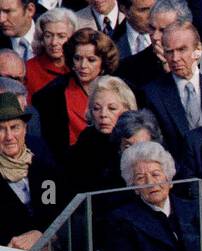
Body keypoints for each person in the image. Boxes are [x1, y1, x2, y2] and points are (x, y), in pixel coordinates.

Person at [32, 26, 118, 163]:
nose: (83, 65)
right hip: (70, 166)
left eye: (91, 60)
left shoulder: (120, 88)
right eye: (78, 58)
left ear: (104, 62)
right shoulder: (51, 96)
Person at [0, 91, 64, 250]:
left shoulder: (44, 171)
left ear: (25, 129)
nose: (9, 136)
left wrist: (43, 235)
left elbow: (54, 210)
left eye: (14, 127)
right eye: (1, 129)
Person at [141, 21, 202, 153]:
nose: (175, 58)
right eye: (169, 52)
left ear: (198, 50)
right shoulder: (152, 94)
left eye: (182, 50)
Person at [67, 73, 135, 193]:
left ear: (127, 109)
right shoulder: (84, 142)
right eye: (97, 108)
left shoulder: (137, 138)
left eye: (112, 108)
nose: (103, 114)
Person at [26, 9, 78, 94]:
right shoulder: (29, 69)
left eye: (61, 36)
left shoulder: (80, 67)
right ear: (41, 37)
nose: (54, 42)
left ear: (72, 37)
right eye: (48, 36)